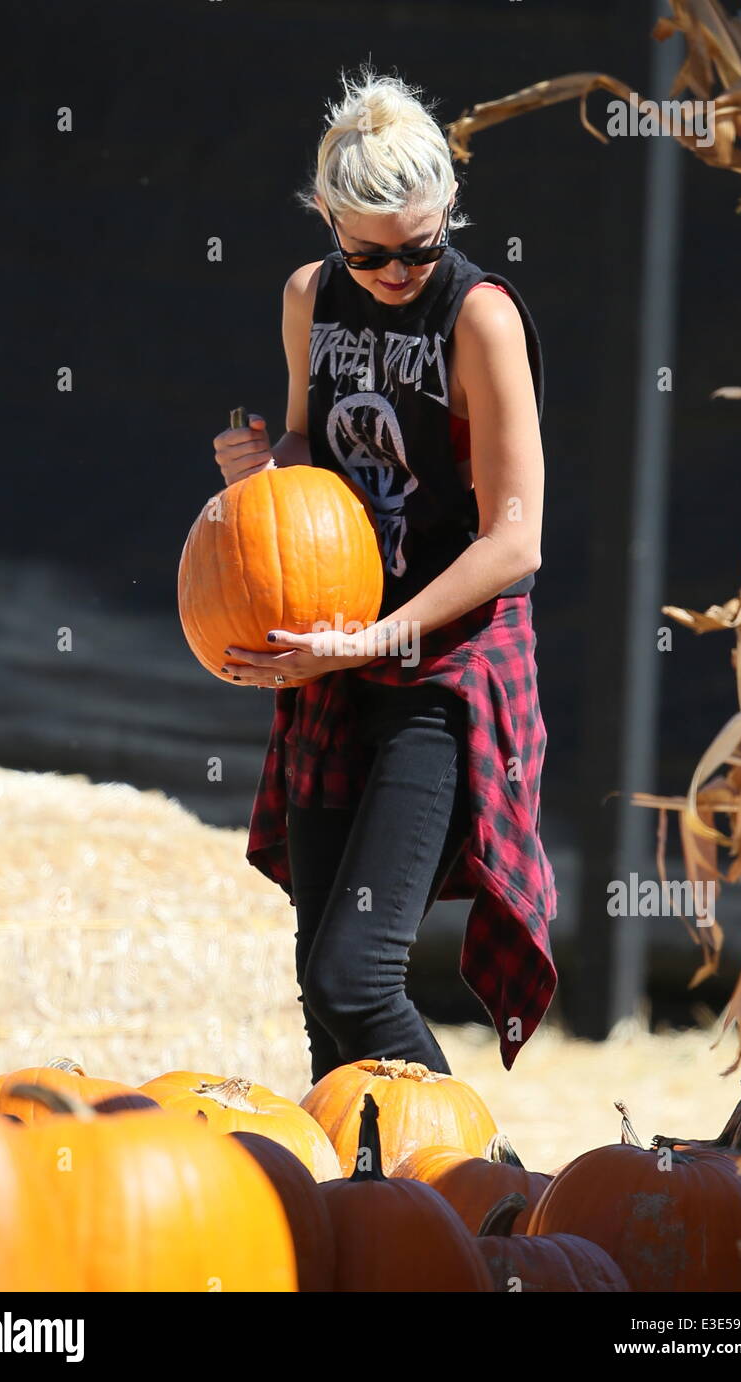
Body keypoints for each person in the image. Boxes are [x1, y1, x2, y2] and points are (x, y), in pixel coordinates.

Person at [212, 67, 557, 1086]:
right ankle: (357, 1218)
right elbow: (307, 452)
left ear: (446, 210)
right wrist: (260, 470)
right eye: (369, 255)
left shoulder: (479, 316)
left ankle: (477, 1196)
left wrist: (377, 636)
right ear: (325, 218)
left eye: (417, 249)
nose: (397, 275)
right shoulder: (307, 296)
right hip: (337, 648)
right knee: (320, 987)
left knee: (356, 975)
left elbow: (515, 539)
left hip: (443, 665)